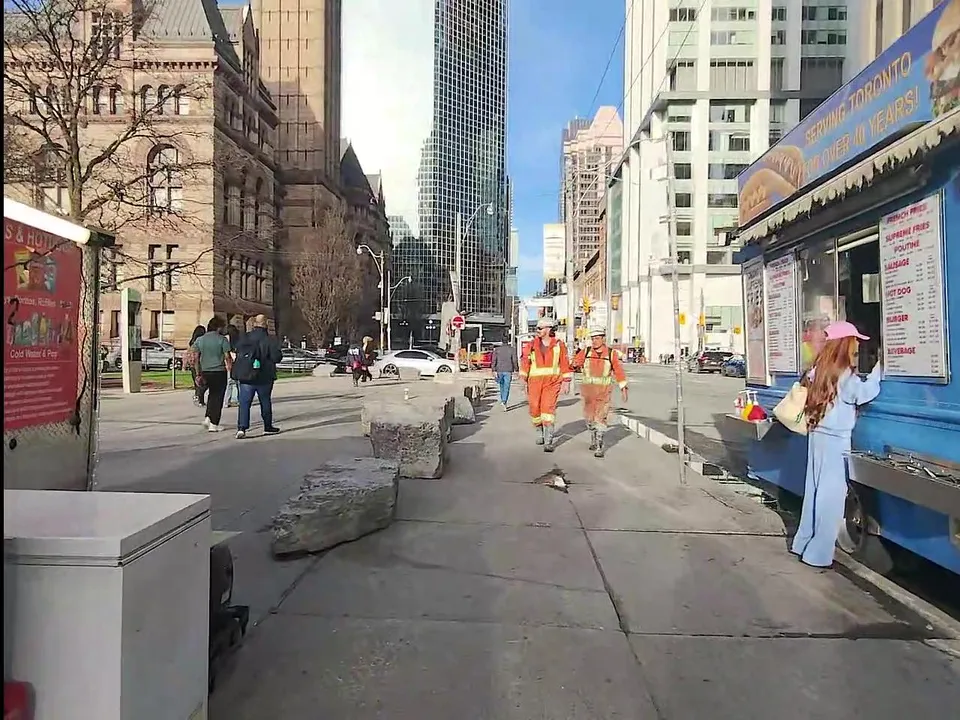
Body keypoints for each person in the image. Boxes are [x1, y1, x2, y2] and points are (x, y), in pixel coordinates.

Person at [792, 321, 883, 569]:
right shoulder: (845, 374)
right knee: (831, 499)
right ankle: (817, 555)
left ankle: (802, 542)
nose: (857, 345)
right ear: (845, 343)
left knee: (814, 492)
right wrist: (879, 369)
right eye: (854, 340)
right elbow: (863, 393)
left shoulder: (818, 369)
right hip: (836, 440)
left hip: (817, 436)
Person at [572, 327, 628, 458]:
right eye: (592, 339)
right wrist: (573, 365)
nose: (594, 341)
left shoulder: (611, 354)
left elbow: (618, 371)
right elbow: (575, 364)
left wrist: (623, 387)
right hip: (588, 392)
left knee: (601, 418)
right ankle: (593, 436)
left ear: (603, 339)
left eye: (597, 338)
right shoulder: (586, 352)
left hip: (603, 392)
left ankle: (599, 445)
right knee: (590, 419)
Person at [519, 317, 572, 452]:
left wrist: (566, 382)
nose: (537, 330)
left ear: (549, 329)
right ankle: (540, 431)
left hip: (552, 382)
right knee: (534, 409)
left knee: (548, 409)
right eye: (537, 328)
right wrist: (523, 378)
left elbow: (564, 363)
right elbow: (525, 362)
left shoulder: (559, 345)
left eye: (540, 328)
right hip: (534, 383)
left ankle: (548, 441)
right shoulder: (531, 345)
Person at [233, 314, 283, 439]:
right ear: (266, 324)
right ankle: (267, 426)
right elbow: (276, 357)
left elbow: (237, 351)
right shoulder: (270, 340)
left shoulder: (245, 337)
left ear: (254, 324)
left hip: (247, 375)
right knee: (265, 401)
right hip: (265, 375)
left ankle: (242, 428)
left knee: (244, 403)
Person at [191, 316, 233, 432]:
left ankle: (208, 418)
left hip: (205, 371)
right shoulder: (222, 339)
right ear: (218, 327)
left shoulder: (200, 340)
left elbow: (195, 358)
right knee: (217, 397)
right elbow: (227, 356)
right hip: (219, 371)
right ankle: (214, 423)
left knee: (211, 395)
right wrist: (230, 367)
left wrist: (198, 373)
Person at [491, 333, 519, 409]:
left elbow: (494, 360)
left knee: (501, 385)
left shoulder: (497, 350)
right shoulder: (512, 349)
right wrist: (516, 369)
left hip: (499, 369)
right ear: (508, 341)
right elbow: (514, 360)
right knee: (507, 386)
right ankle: (504, 401)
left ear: (501, 341)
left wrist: (493, 369)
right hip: (508, 370)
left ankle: (503, 399)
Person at [186, 324, 207, 407]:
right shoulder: (199, 343)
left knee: (197, 383)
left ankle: (200, 400)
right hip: (199, 364)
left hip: (192, 365)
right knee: (203, 383)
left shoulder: (191, 343)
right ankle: (198, 397)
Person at [224, 323, 241, 408]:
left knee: (229, 382)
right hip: (237, 360)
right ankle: (240, 399)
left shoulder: (225, 338)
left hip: (228, 360)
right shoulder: (239, 338)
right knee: (238, 382)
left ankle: (227, 401)